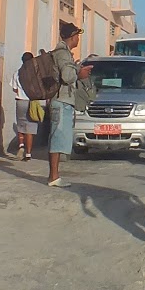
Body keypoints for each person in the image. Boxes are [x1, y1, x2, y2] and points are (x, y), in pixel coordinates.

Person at [47, 21, 91, 187]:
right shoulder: (63, 54)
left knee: (59, 139)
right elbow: (67, 76)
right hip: (61, 100)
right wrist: (79, 73)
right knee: (57, 139)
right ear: (73, 37)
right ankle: (53, 176)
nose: (78, 39)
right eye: (77, 36)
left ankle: (54, 176)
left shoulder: (63, 53)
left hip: (62, 100)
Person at [11, 51, 36, 161]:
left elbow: (14, 89)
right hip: (31, 102)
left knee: (21, 125)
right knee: (30, 128)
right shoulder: (35, 74)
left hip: (20, 101)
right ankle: (28, 154)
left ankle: (21, 145)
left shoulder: (17, 73)